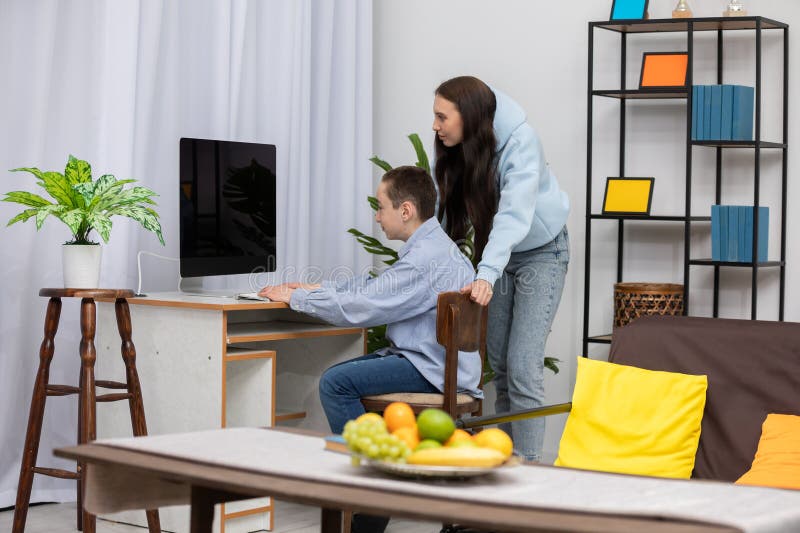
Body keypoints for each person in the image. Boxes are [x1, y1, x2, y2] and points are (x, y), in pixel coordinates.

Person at [258, 165, 482, 433]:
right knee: (342, 374)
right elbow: (376, 288)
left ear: (406, 211)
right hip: (438, 364)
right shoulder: (438, 248)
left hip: (432, 370)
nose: (377, 217)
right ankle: (381, 450)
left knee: (335, 383)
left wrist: (298, 298)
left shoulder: (423, 260)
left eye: (381, 207)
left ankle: (365, 462)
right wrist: (317, 287)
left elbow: (363, 306)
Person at [432, 75, 570, 462]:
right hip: (498, 256)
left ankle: (529, 478)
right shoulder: (457, 145)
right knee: (503, 369)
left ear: (469, 116)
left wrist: (486, 273)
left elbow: (513, 215)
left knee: (524, 368)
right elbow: (442, 208)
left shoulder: (521, 141)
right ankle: (507, 466)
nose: (435, 126)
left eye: (443, 117)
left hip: (541, 252)